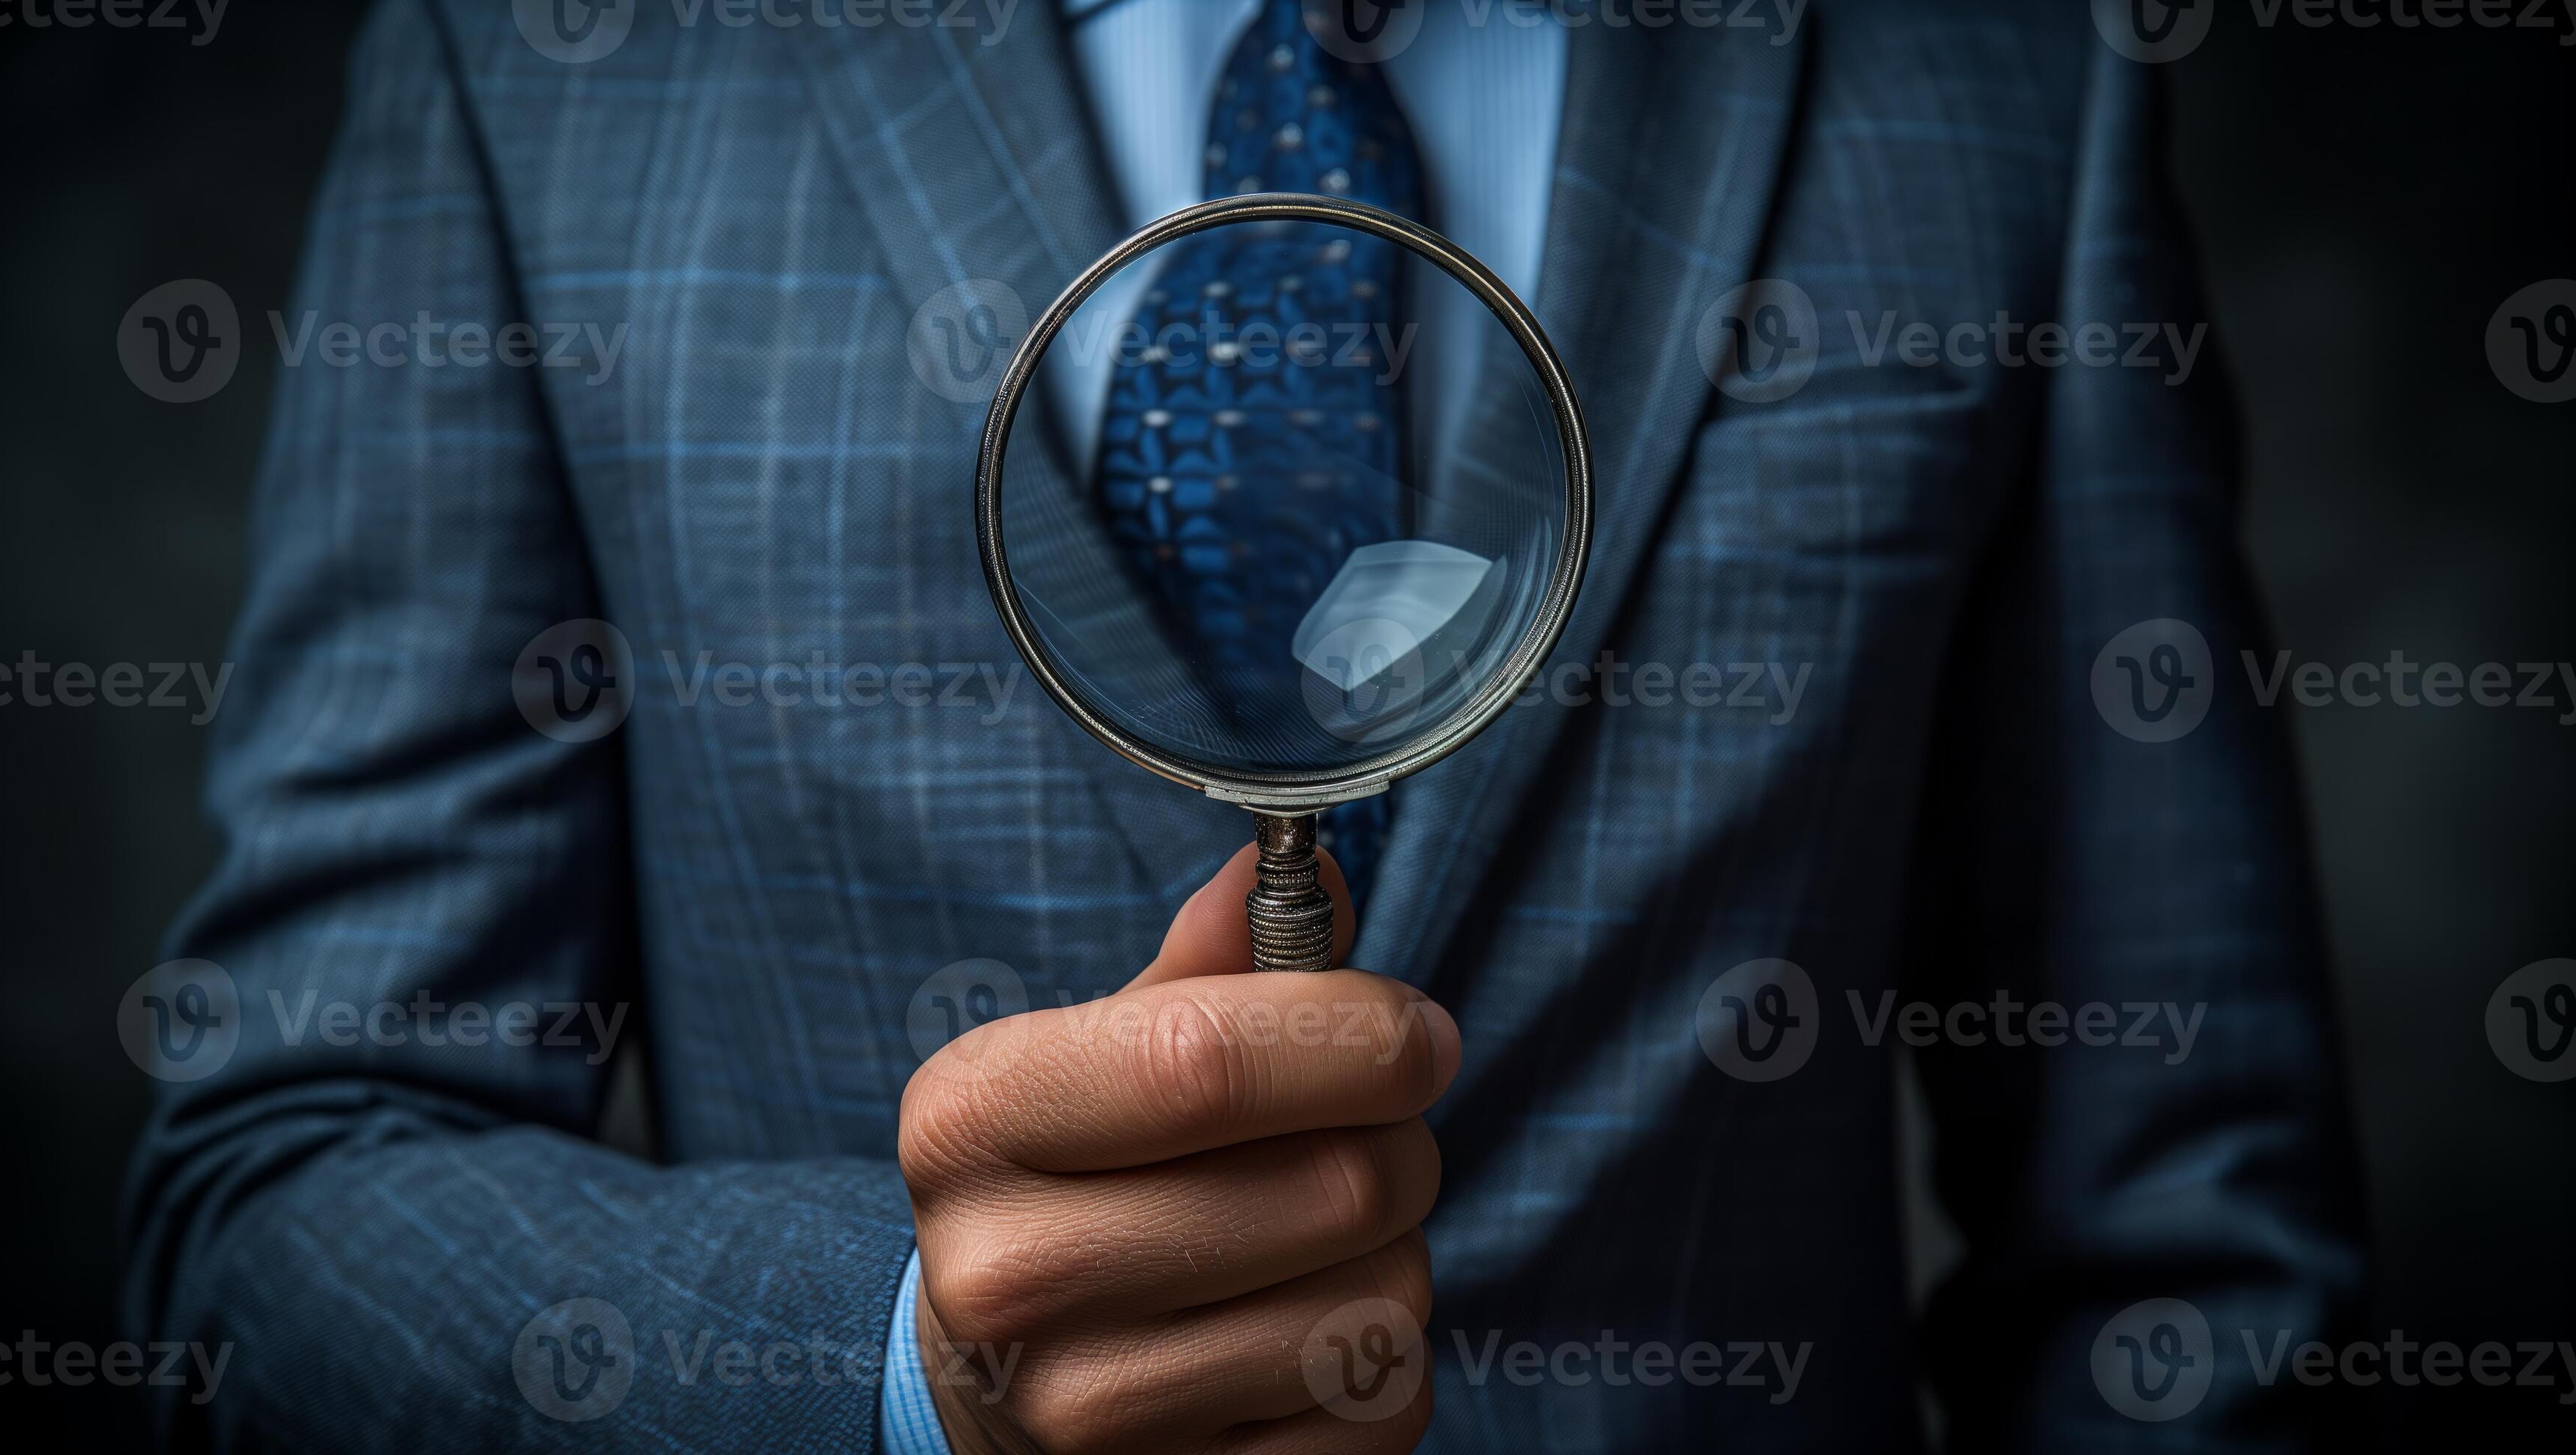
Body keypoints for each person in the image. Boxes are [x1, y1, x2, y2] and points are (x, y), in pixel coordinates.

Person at [125, 1, 2367, 1450]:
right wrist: (901, 1365)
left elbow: (2181, 1248)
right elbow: (274, 1203)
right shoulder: (550, 60)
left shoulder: (2002, 69)